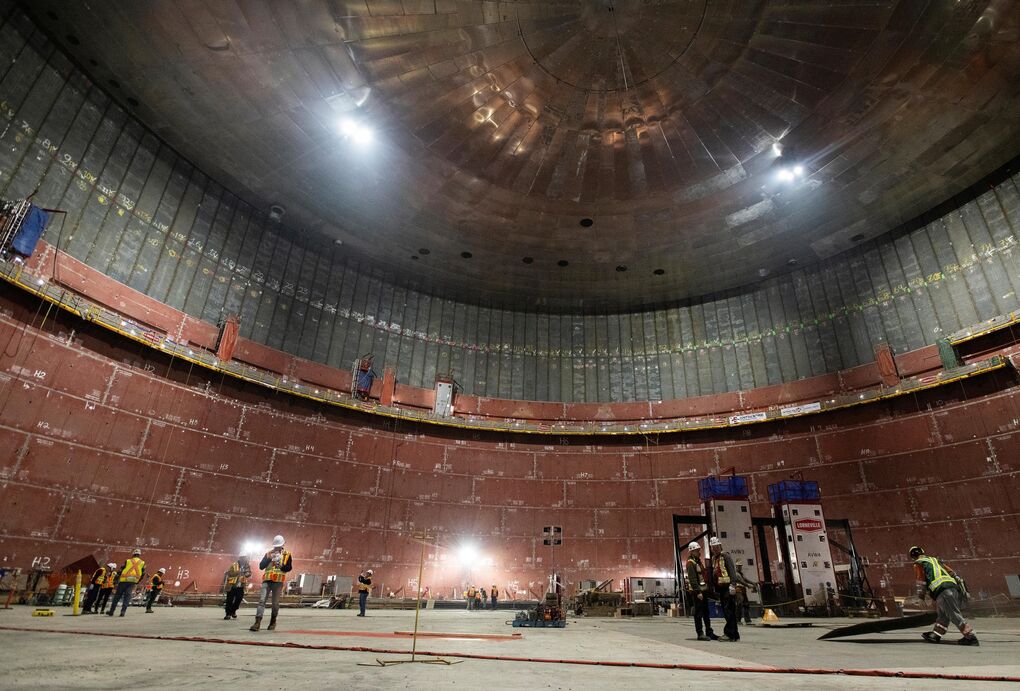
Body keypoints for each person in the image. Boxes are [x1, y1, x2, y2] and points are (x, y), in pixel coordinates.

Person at [910, 546, 978, 646]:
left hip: (942, 589)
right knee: (943, 613)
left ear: (913, 557)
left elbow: (921, 580)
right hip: (952, 588)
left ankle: (970, 636)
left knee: (953, 613)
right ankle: (936, 634)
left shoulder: (918, 563)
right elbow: (952, 573)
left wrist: (921, 596)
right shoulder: (935, 560)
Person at [709, 536, 754, 642]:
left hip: (728, 588)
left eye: (716, 546)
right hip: (721, 588)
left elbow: (732, 572)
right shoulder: (714, 559)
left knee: (729, 612)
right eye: (713, 547)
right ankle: (735, 635)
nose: (715, 549)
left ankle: (729, 634)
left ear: (720, 546)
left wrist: (732, 585)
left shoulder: (725, 556)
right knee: (727, 611)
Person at [250, 535, 292, 631]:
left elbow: (289, 568)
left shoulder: (287, 554)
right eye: (276, 546)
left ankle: (273, 622)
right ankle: (257, 622)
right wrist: (268, 559)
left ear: (282, 545)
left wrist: (282, 566)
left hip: (278, 582)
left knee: (275, 603)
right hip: (267, 581)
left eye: (279, 546)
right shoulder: (268, 553)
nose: (277, 548)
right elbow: (261, 566)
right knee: (262, 601)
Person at [685, 541, 717, 640]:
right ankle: (700, 633)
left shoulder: (698, 561)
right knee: (698, 613)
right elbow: (693, 579)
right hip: (698, 593)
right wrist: (698, 592)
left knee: (706, 612)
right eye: (697, 550)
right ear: (692, 551)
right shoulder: (691, 563)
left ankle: (709, 632)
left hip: (703, 591)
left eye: (699, 550)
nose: (699, 552)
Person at [107, 549, 145, 617]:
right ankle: (123, 612)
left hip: (124, 580)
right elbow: (143, 574)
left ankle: (111, 611)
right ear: (139, 555)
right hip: (132, 582)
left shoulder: (128, 561)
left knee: (117, 596)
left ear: (133, 554)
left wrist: (115, 580)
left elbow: (120, 570)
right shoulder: (142, 563)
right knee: (127, 596)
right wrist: (138, 581)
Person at [223, 555, 251, 620]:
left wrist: (248, 574)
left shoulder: (247, 566)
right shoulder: (234, 565)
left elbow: (249, 573)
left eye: (245, 558)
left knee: (239, 599)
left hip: (241, 586)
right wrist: (238, 572)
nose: (244, 559)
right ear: (240, 558)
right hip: (232, 585)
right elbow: (229, 573)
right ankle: (228, 614)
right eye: (243, 558)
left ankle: (233, 611)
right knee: (229, 600)